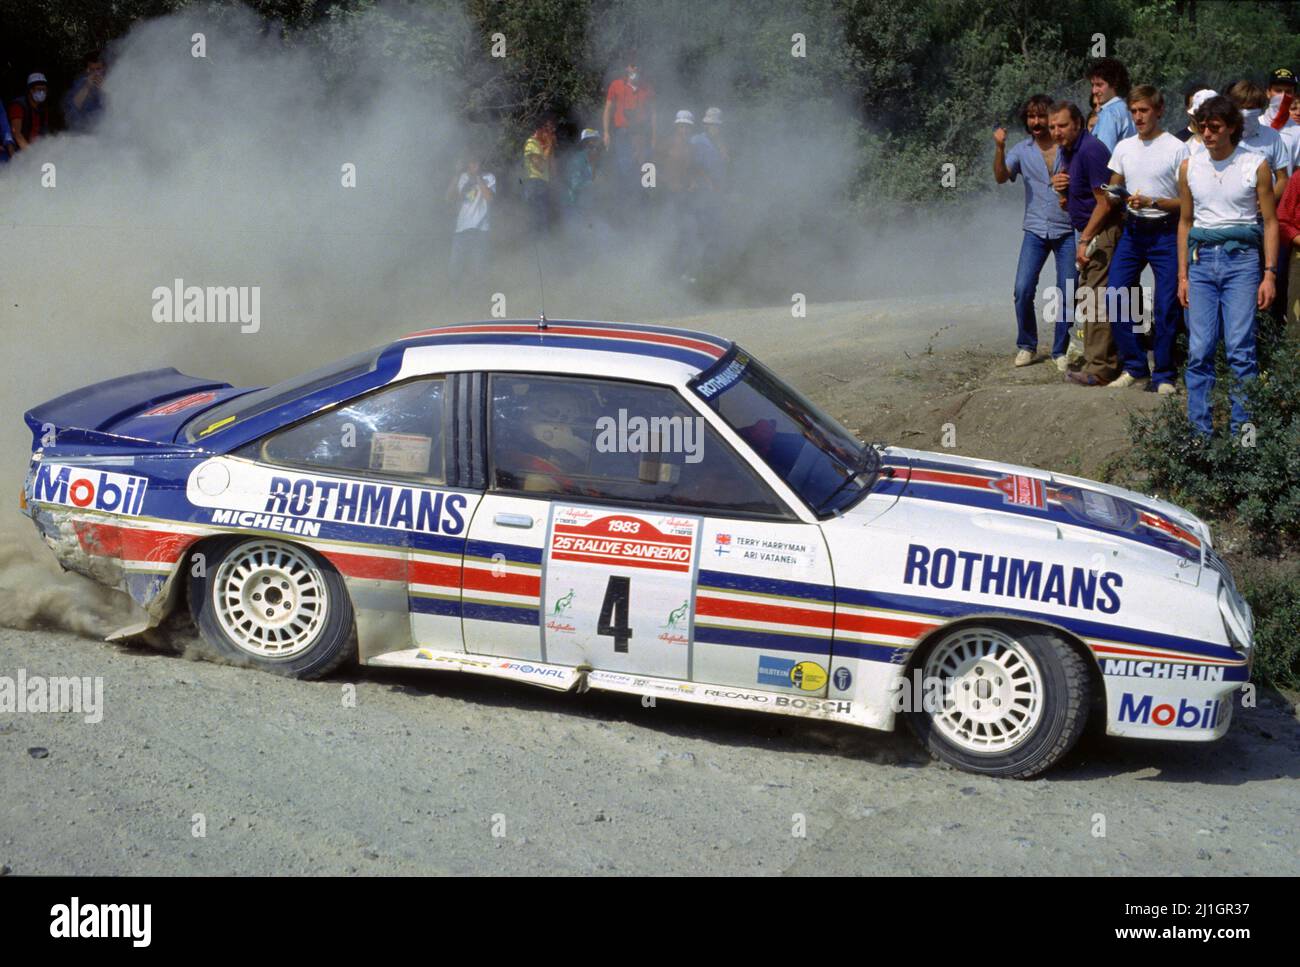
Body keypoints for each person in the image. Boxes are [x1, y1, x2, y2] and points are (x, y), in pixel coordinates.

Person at [1177, 95, 1279, 437]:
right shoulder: (1190, 166)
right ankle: (1199, 437)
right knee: (1200, 349)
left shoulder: (1255, 164)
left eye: (1214, 127)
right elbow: (1185, 222)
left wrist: (1269, 273)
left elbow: (1270, 221)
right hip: (1202, 261)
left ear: (1232, 128)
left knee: (1240, 349)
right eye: (1202, 126)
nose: (1206, 133)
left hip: (1243, 261)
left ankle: (1244, 438)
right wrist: (1183, 276)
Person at [1101, 86, 1189, 393]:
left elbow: (1188, 202)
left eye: (1144, 110)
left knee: (1165, 304)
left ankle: (1164, 373)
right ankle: (1135, 366)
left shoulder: (1177, 148)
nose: (1138, 117)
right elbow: (1114, 186)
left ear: (1159, 110)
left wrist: (1153, 201)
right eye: (1134, 111)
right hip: (1134, 230)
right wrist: (1115, 195)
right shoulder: (1124, 147)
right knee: (1114, 295)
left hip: (1166, 231)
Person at [994, 94, 1077, 370]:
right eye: (1032, 117)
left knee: (1067, 290)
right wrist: (1000, 147)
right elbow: (1001, 177)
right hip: (1035, 229)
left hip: (1068, 229)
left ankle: (1060, 350)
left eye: (1042, 116)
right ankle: (1027, 345)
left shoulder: (1069, 148)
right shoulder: (1021, 150)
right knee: (1022, 288)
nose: (1037, 122)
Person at [1050, 100, 1122, 386]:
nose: (1057, 131)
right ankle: (1101, 361)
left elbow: (1105, 202)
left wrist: (1086, 239)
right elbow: (1077, 198)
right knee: (1088, 296)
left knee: (1095, 297)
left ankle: (1100, 368)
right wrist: (1063, 194)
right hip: (1090, 229)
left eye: (1063, 125)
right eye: (1053, 126)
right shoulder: (1069, 151)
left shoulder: (1090, 150)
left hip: (1103, 230)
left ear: (1077, 124)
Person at [602, 53, 656, 199]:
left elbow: (653, 114)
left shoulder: (647, 88)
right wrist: (606, 132)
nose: (635, 68)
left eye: (637, 65)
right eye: (632, 65)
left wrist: (654, 136)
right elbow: (608, 108)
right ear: (627, 68)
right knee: (625, 165)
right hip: (623, 132)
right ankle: (626, 199)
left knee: (646, 165)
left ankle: (648, 199)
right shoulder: (616, 85)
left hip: (642, 132)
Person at [445, 155, 495, 282]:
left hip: (480, 229)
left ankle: (479, 297)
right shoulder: (462, 178)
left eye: (476, 163)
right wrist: (456, 174)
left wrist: (478, 178)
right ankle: (455, 296)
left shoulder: (489, 177)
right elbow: (448, 198)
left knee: (478, 268)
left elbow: (489, 198)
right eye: (471, 163)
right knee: (454, 268)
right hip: (461, 229)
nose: (473, 166)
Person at [1088, 57, 1137, 152]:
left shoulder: (1109, 113)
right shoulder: (1128, 109)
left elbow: (1103, 155)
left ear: (1114, 84)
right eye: (1093, 85)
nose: (1094, 91)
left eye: (1099, 85)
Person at [522, 115, 557, 234]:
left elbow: (553, 171)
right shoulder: (531, 143)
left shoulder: (545, 146)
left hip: (543, 184)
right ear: (541, 129)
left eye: (553, 130)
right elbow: (541, 167)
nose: (551, 133)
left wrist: (550, 148)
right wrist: (549, 146)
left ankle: (544, 249)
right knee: (537, 223)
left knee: (544, 222)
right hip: (534, 185)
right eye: (549, 129)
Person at [8, 73, 51, 153]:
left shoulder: (42, 109)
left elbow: (44, 134)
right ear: (31, 90)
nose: (42, 92)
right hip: (16, 151)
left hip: (33, 148)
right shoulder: (18, 106)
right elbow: (16, 134)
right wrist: (30, 155)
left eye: (44, 89)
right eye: (39, 89)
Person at [64, 50, 106, 132]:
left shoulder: (113, 79)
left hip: (108, 129)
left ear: (104, 68)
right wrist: (87, 87)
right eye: (92, 70)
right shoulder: (80, 83)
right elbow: (72, 108)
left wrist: (105, 88)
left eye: (98, 69)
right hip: (84, 132)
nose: (95, 73)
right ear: (87, 70)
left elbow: (120, 107)